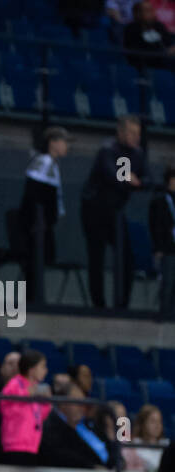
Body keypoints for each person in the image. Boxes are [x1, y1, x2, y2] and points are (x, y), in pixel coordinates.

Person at [81, 115, 149, 308]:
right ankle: (98, 305)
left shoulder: (137, 153)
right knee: (97, 256)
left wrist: (137, 180)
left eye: (138, 133)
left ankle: (122, 304)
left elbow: (147, 178)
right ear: (120, 132)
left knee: (127, 256)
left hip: (116, 213)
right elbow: (113, 174)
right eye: (131, 132)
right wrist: (128, 177)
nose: (136, 137)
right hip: (94, 210)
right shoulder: (108, 149)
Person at [18, 126, 68, 300]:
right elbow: (35, 193)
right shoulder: (44, 162)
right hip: (36, 225)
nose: (66, 146)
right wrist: (40, 220)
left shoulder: (52, 164)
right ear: (52, 143)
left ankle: (35, 296)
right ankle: (33, 298)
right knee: (35, 262)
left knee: (41, 260)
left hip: (43, 224)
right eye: (64, 142)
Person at [40, 384, 113, 469]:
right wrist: (92, 467)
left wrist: (118, 462)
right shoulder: (51, 426)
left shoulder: (89, 424)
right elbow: (61, 456)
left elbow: (110, 447)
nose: (81, 407)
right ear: (63, 404)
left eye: (83, 402)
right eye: (77, 402)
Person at [0, 350, 50, 465]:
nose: (46, 370)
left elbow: (41, 416)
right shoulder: (15, 383)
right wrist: (27, 394)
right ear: (32, 369)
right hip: (14, 445)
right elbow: (6, 407)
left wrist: (46, 402)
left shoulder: (36, 389)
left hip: (32, 445)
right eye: (42, 367)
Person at [150, 164, 175, 319]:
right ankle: (165, 313)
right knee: (168, 282)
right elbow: (155, 227)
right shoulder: (159, 202)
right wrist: (158, 248)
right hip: (168, 248)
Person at [123, 2, 175, 69]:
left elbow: (169, 43)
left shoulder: (158, 26)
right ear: (137, 14)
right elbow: (135, 52)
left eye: (152, 10)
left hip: (165, 58)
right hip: (146, 62)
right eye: (148, 11)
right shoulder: (131, 29)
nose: (152, 13)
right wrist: (164, 52)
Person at [123, 404, 168, 471]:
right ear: (142, 424)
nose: (157, 425)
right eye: (152, 421)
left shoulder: (167, 445)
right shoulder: (133, 448)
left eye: (159, 421)